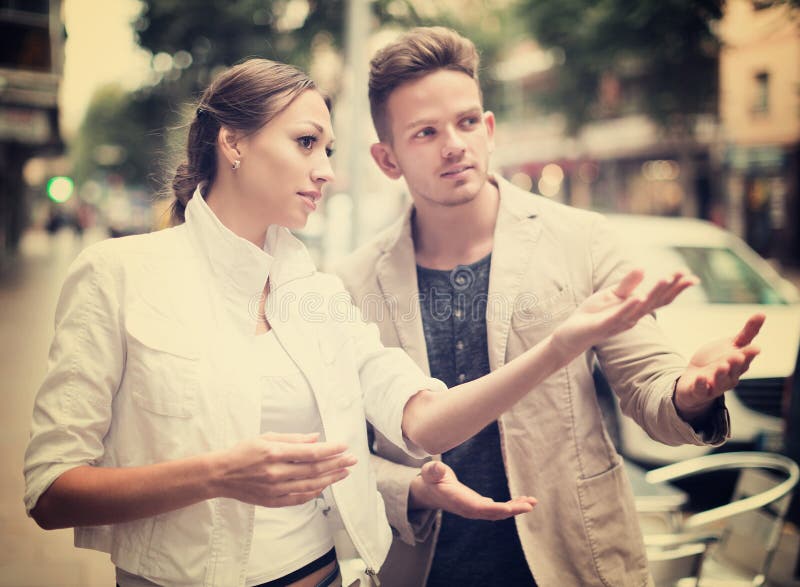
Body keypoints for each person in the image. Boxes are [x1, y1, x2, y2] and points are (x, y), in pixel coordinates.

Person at [22, 58, 691, 587]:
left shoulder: (313, 291)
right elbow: (51, 490)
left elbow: (424, 418)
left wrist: (557, 347)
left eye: (331, 148)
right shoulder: (118, 274)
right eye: (306, 143)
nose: (326, 172)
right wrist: (218, 473)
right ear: (233, 141)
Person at [335, 27, 766, 587]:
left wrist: (690, 392)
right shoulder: (351, 283)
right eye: (425, 132)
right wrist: (409, 490)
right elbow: (345, 457)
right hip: (422, 568)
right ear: (386, 159)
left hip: (573, 559)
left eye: (467, 122)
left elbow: (645, 383)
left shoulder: (580, 239)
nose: (454, 145)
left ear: (488, 129)